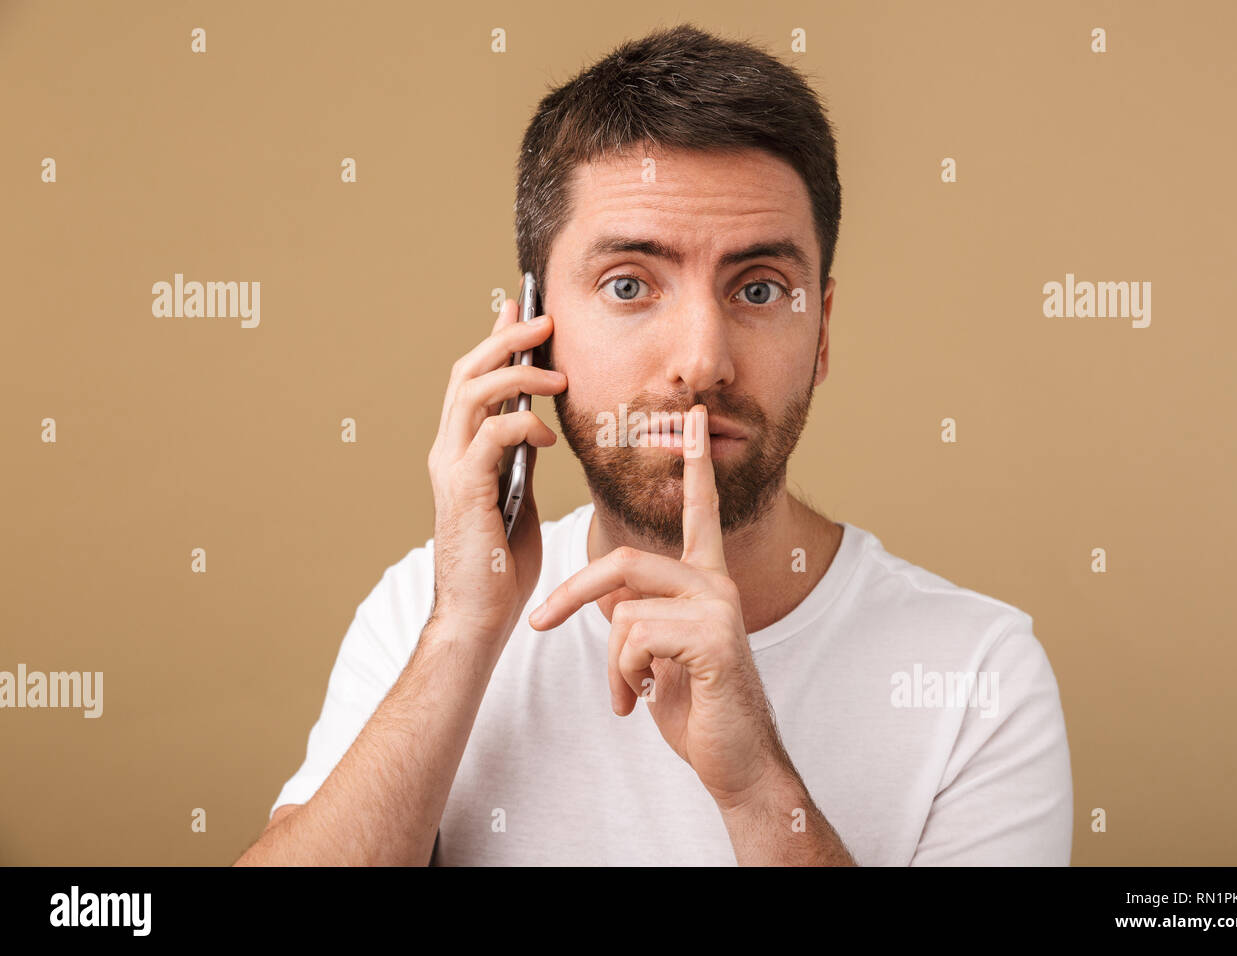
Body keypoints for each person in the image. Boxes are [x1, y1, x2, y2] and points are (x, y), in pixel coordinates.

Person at [235, 23, 1072, 867]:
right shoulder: (429, 607)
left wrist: (755, 788)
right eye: (629, 284)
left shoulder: (978, 674)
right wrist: (463, 631)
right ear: (534, 333)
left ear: (821, 335)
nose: (701, 361)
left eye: (759, 288)